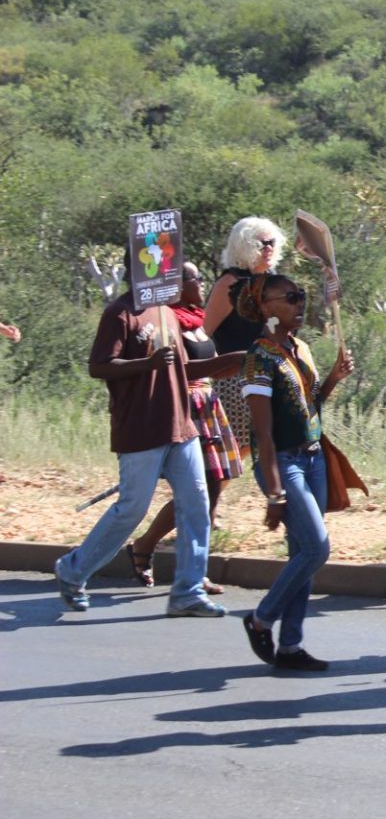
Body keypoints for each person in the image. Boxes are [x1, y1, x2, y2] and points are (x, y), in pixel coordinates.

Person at [54, 264, 240, 616]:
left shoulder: (166, 312)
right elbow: (100, 366)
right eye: (169, 276)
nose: (176, 284)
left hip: (180, 425)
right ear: (144, 274)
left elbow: (181, 369)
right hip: (139, 427)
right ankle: (73, 570)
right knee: (132, 509)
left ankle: (187, 591)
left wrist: (229, 362)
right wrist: (146, 364)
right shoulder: (119, 313)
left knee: (196, 503)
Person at [240, 275, 354, 671]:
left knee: (302, 551)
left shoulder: (298, 347)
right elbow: (264, 431)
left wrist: (332, 381)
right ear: (266, 305)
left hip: (313, 457)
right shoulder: (259, 356)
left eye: (302, 297)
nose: (300, 303)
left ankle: (290, 645)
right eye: (291, 298)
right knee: (317, 548)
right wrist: (274, 492)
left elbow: (309, 405)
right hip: (284, 462)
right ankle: (260, 619)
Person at [127, 262, 245, 595]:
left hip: (208, 402)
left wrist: (231, 368)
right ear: (176, 285)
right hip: (187, 406)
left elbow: (211, 363)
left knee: (212, 488)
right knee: (198, 492)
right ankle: (179, 563)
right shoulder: (167, 321)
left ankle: (151, 548)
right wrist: (233, 359)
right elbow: (179, 367)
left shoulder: (196, 319)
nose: (202, 283)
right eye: (194, 278)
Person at [205, 216, 285, 460]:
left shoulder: (273, 283)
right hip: (232, 380)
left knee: (255, 448)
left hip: (268, 375)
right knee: (231, 455)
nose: (268, 248)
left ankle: (202, 496)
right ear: (245, 246)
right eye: (261, 243)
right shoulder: (229, 284)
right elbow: (203, 333)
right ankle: (196, 498)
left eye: (272, 242)